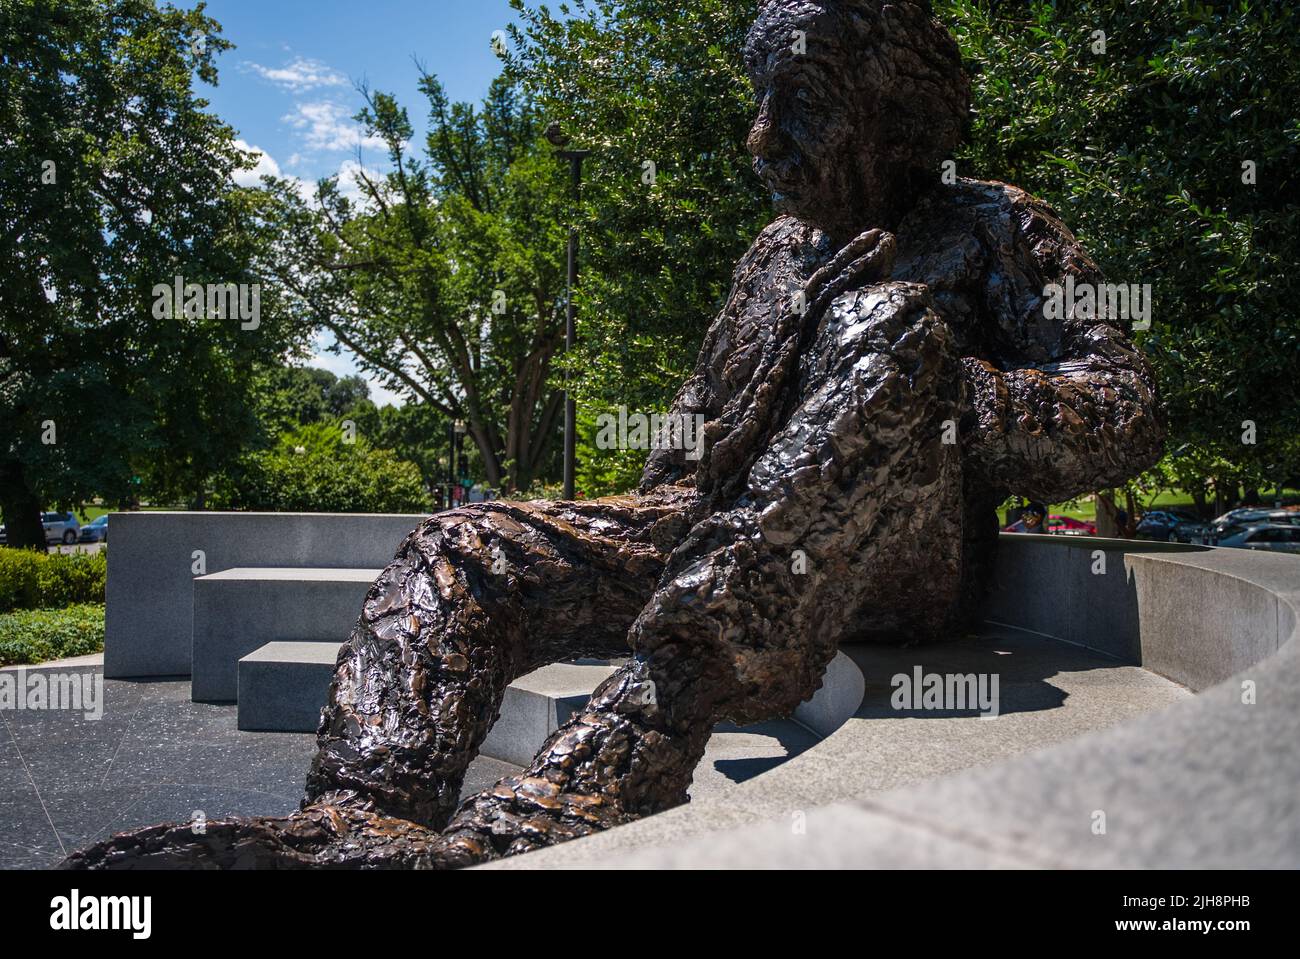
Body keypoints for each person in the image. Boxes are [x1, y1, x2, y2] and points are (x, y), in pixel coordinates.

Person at [65, 0, 1162, 870]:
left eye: (804, 102)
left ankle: (596, 776)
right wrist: (716, 437)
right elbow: (678, 447)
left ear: (899, 115)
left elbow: (1124, 406)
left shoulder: (991, 226)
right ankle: (360, 818)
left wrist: (920, 387)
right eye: (760, 99)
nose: (761, 136)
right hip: (712, 527)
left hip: (887, 551)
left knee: (891, 326)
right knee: (465, 548)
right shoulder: (770, 257)